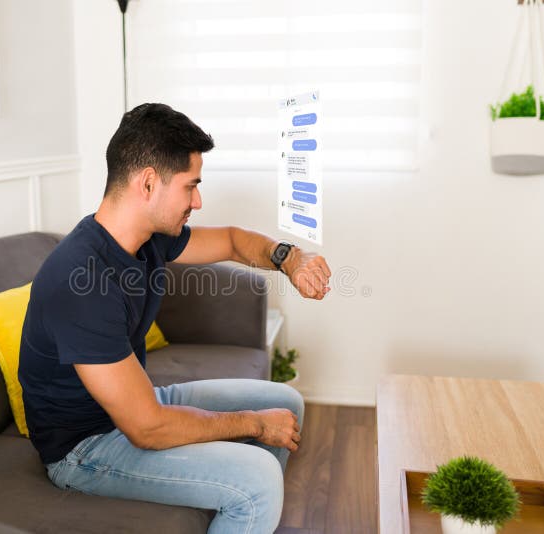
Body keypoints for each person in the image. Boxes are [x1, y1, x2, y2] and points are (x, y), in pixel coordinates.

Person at [18, 103, 332, 534]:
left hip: (134, 405)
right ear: (148, 182)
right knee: (258, 478)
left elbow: (233, 242)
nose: (198, 201)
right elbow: (146, 427)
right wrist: (256, 425)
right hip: (84, 447)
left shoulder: (146, 240)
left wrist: (291, 259)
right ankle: (249, 505)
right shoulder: (82, 280)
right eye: (191, 186)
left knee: (286, 403)